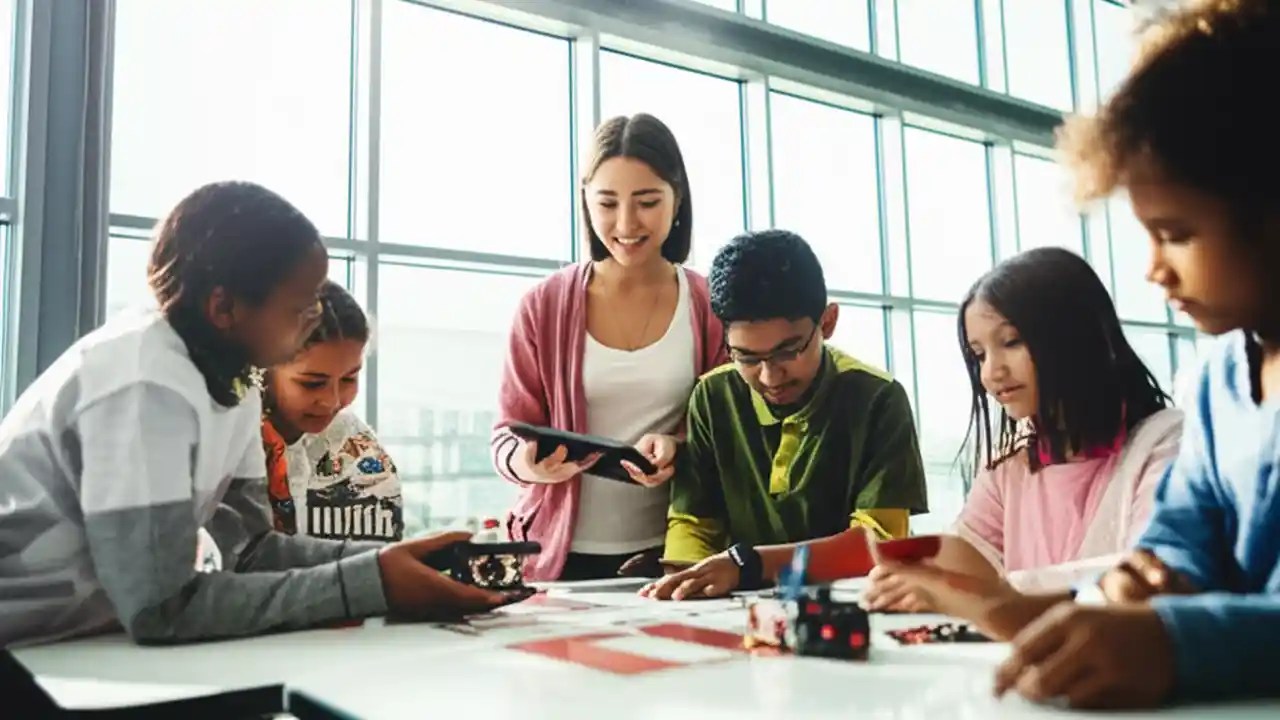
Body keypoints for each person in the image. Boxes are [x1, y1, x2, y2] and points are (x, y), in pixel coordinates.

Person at [868, 0, 1280, 708]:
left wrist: (1171, 638)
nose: (1153, 269)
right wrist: (1117, 592)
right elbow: (1176, 552)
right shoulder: (1218, 382)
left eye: (1175, 233)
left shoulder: (1167, 429)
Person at [0, 181, 520, 648]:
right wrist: (374, 584)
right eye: (301, 307)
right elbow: (161, 609)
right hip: (24, 648)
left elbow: (250, 549)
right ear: (224, 308)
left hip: (72, 640)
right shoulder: (144, 384)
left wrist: (388, 562)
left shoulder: (236, 380)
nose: (313, 319)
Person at [861, 247, 1181, 611]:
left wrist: (981, 592)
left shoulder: (1165, 440)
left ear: (1075, 336)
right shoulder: (1008, 465)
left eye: (1011, 342)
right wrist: (915, 574)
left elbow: (1146, 571)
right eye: (979, 354)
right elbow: (971, 553)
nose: (991, 372)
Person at [491, 114, 728, 581]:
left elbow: (727, 434)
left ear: (677, 199)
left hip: (677, 554)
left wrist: (678, 447)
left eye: (647, 202)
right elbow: (505, 435)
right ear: (586, 202)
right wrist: (528, 462)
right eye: (607, 203)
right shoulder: (544, 304)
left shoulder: (708, 306)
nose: (626, 223)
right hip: (558, 555)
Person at [641, 229, 928, 600]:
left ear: (827, 323)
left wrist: (749, 565)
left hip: (846, 607)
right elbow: (694, 525)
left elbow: (876, 544)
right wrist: (683, 588)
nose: (769, 376)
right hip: (736, 610)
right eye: (745, 356)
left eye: (788, 351)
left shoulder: (877, 398)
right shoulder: (713, 396)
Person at [261, 280, 403, 543]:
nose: (332, 400)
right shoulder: (233, 442)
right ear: (265, 368)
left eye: (349, 379)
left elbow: (379, 557)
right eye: (312, 383)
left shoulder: (354, 444)